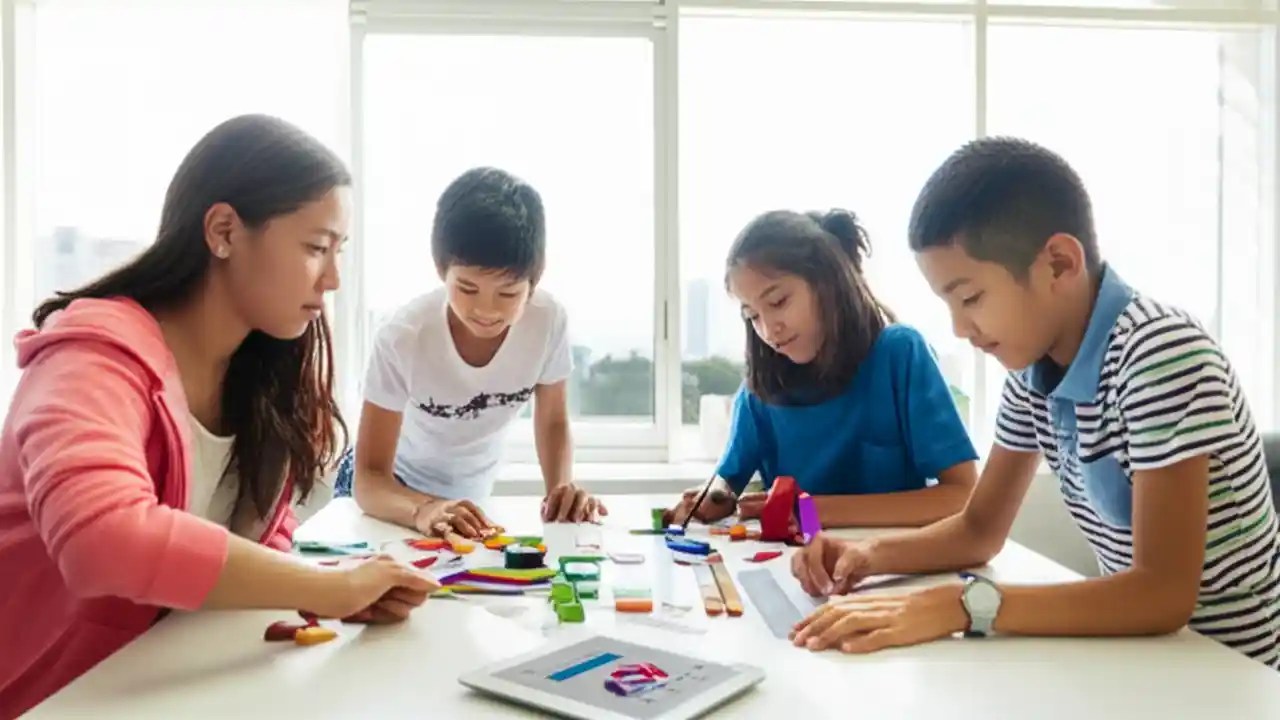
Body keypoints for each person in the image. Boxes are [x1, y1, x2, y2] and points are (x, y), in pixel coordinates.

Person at [0, 115, 438, 716]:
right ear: (224, 230)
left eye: (339, 252)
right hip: (46, 700)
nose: (332, 279)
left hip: (161, 692)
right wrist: (325, 588)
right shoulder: (90, 358)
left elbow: (264, 537)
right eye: (315, 248)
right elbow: (102, 540)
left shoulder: (261, 376)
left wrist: (307, 597)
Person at [789, 137, 1280, 670]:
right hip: (1152, 660)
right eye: (948, 304)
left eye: (971, 297)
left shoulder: (1159, 352)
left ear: (1059, 264)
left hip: (1235, 673)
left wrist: (962, 605)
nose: (960, 328)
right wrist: (867, 554)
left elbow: (1162, 594)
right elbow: (979, 529)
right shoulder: (1031, 375)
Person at [666, 209, 978, 529]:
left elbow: (963, 495)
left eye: (777, 302)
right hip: (796, 569)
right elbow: (726, 482)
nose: (769, 330)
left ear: (828, 284)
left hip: (892, 566)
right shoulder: (759, 392)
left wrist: (811, 512)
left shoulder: (899, 354)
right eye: (752, 316)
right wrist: (712, 498)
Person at [337, 167, 605, 538]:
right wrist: (423, 507)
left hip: (467, 503)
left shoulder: (548, 321)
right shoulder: (403, 337)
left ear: (535, 278)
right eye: (466, 288)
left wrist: (560, 491)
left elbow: (553, 421)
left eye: (508, 293)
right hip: (390, 497)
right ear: (440, 269)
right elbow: (368, 480)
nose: (486, 310)